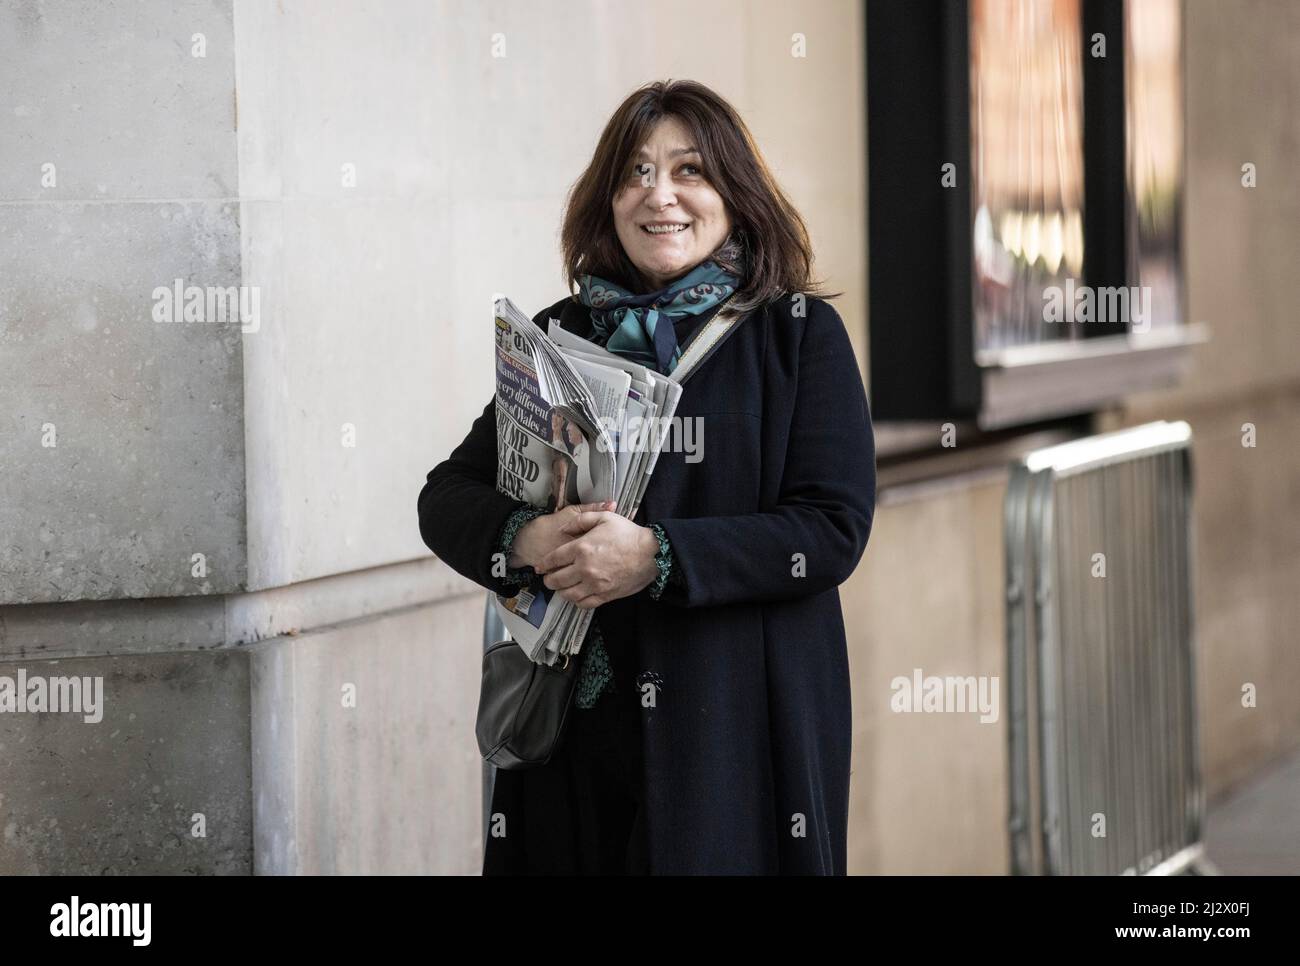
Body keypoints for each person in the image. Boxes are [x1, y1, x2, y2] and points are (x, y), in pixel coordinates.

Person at [417, 79, 876, 875]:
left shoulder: (796, 336)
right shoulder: (561, 333)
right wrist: (522, 536)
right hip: (576, 727)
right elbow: (446, 495)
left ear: (735, 194)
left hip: (736, 730)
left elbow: (831, 529)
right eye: (634, 172)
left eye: (689, 170)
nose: (658, 194)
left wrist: (655, 557)